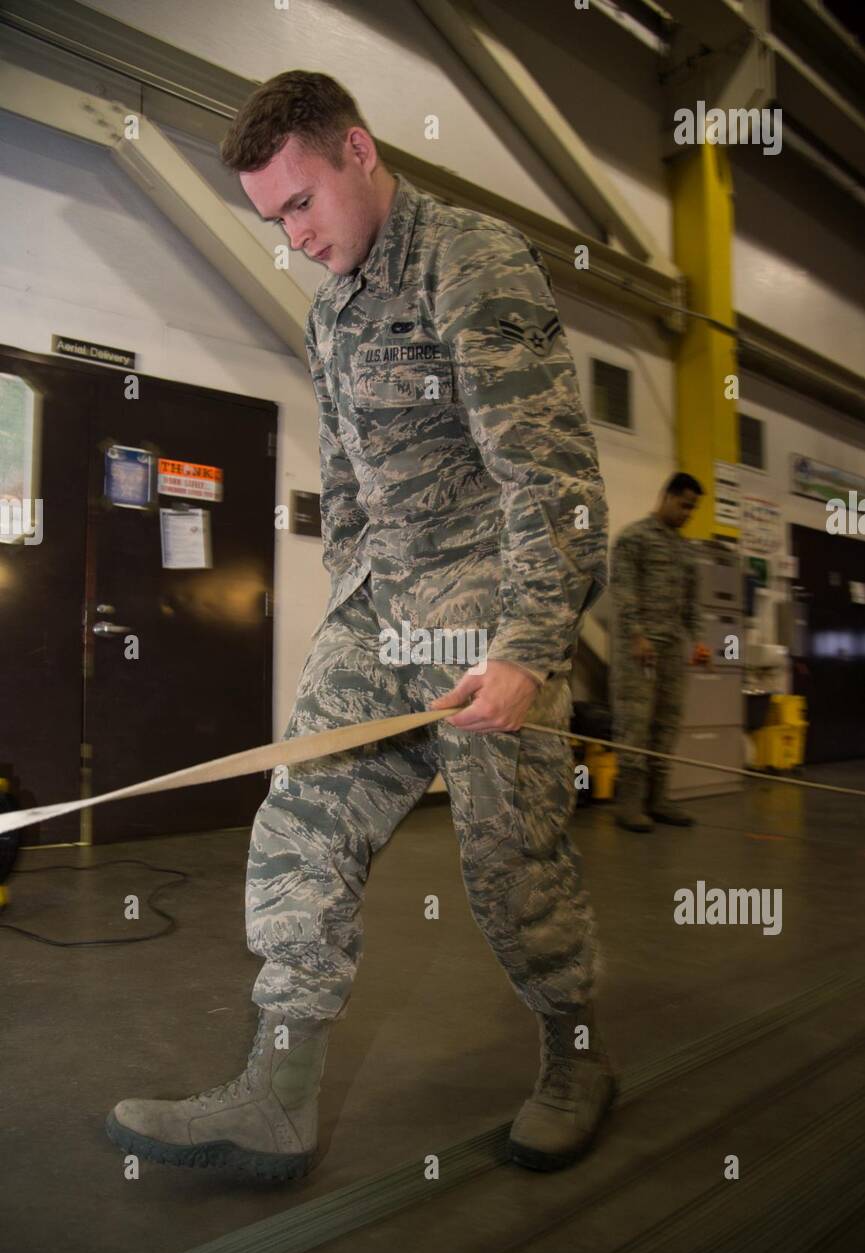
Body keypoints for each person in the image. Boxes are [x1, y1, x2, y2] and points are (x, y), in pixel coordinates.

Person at [105, 71, 615, 1181]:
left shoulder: (468, 262)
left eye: (300, 203)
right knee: (301, 823)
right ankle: (275, 1099)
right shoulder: (331, 308)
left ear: (358, 150)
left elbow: (552, 480)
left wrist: (528, 648)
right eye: (271, 218)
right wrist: (349, 598)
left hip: (485, 606)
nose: (292, 237)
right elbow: (344, 481)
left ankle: (576, 1056)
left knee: (505, 862)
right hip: (380, 607)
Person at [609, 473, 705, 832]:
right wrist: (637, 635)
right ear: (665, 496)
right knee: (635, 724)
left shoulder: (686, 549)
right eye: (684, 505)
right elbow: (623, 591)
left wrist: (696, 639)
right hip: (639, 651)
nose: (688, 513)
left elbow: (692, 600)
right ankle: (629, 804)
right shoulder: (633, 538)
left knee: (667, 722)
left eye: (693, 508)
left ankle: (659, 798)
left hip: (671, 651)